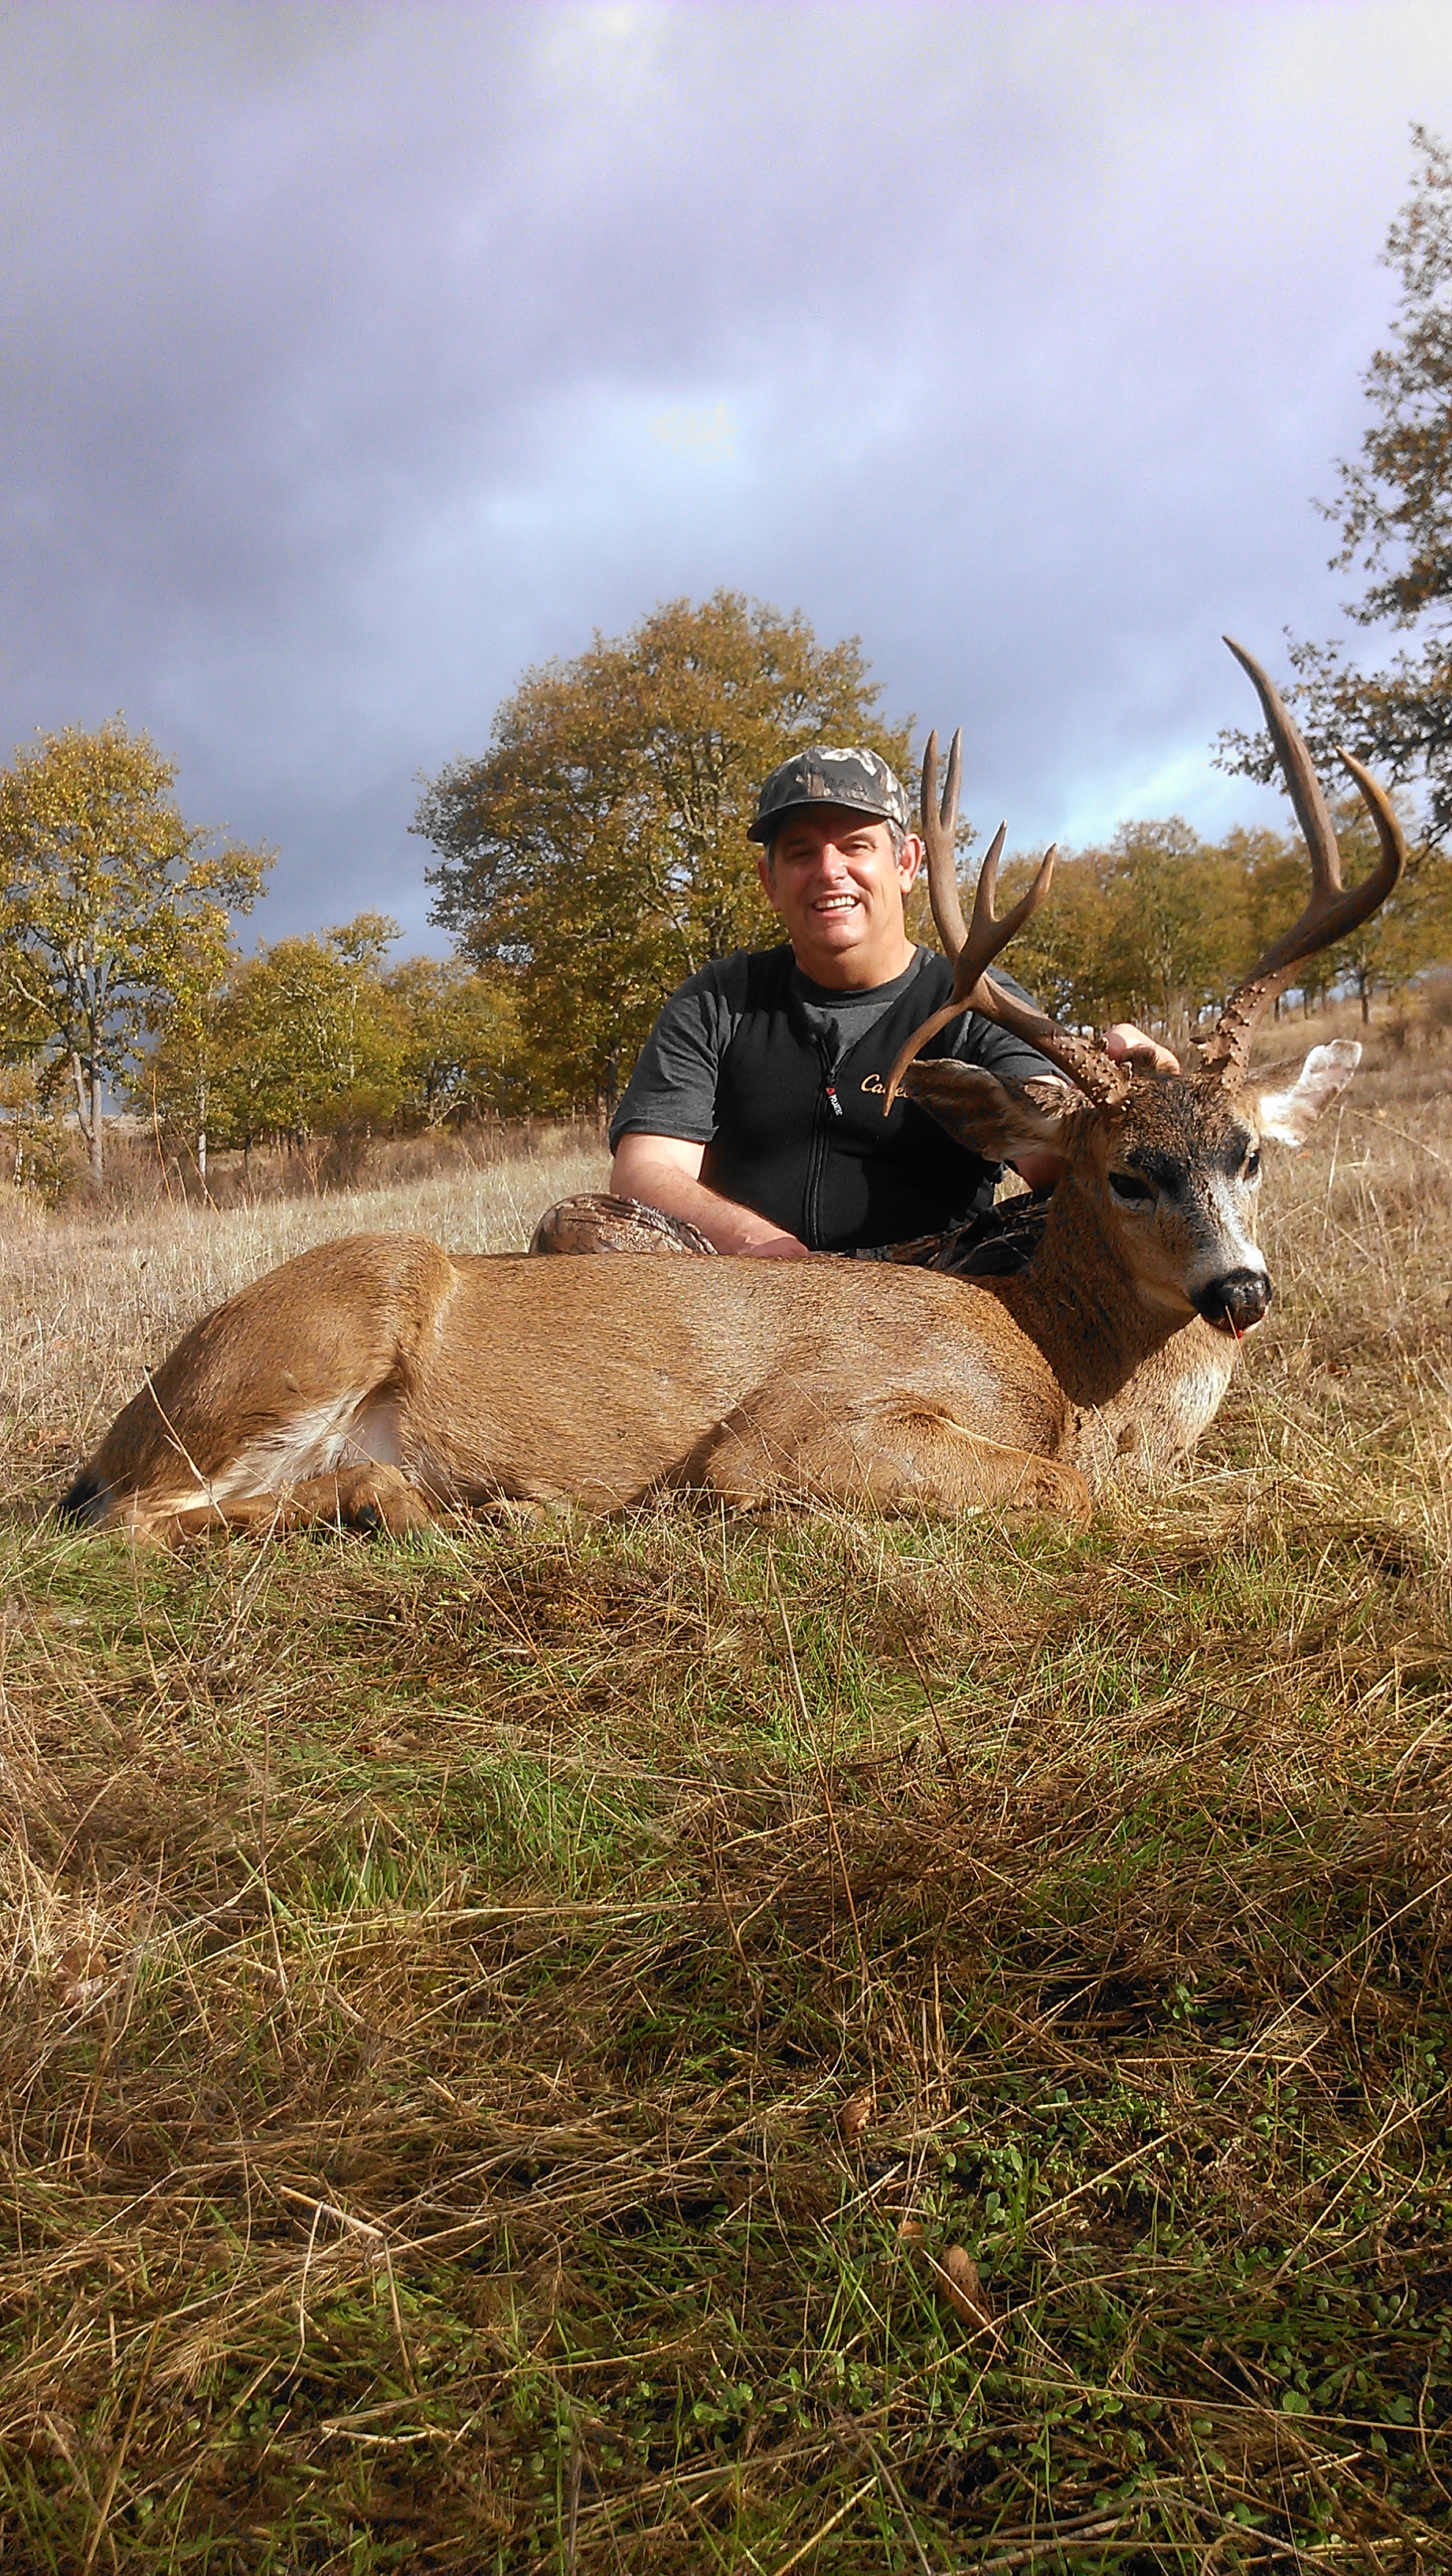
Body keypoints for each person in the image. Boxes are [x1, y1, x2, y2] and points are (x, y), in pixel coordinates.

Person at [602, 744, 1174, 1261]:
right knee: (586, 1227)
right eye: (801, 853)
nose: (830, 871)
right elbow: (645, 1170)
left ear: (906, 864)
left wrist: (1131, 1093)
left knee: (1067, 1229)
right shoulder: (718, 1001)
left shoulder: (976, 1003)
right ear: (769, 882)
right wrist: (761, 1246)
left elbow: (1051, 1152)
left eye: (856, 846)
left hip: (934, 1298)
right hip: (748, 1293)